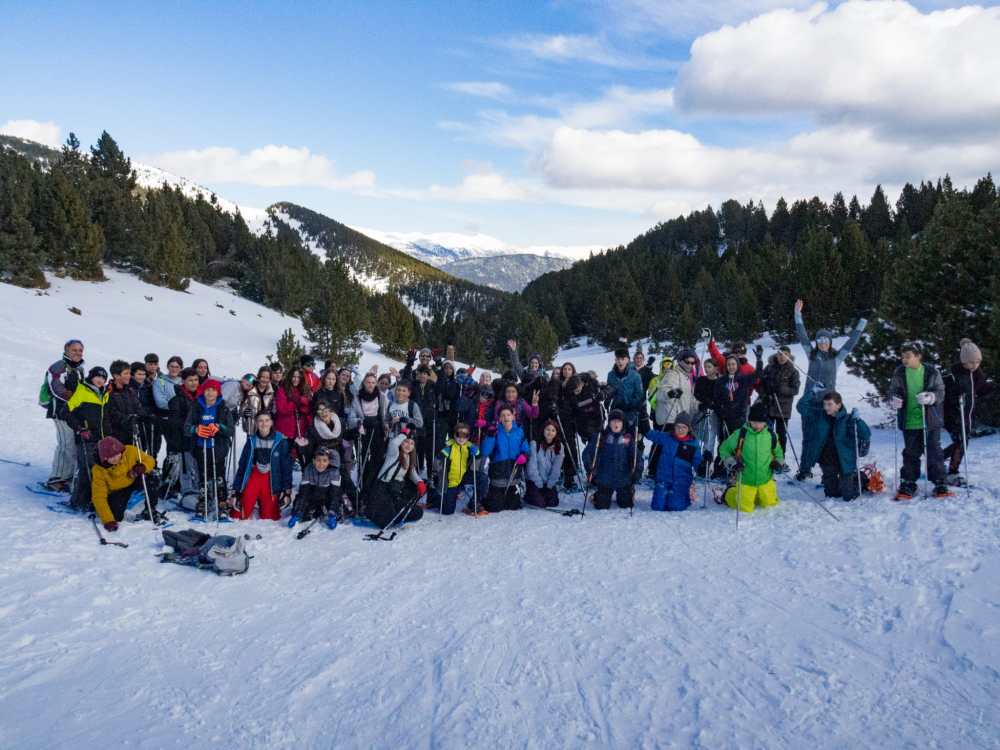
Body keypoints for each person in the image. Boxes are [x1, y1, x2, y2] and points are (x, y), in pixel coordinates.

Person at [793, 298, 867, 481]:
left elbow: (851, 343)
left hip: (829, 406)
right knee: (809, 438)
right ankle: (805, 469)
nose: (823, 342)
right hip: (810, 404)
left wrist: (861, 325)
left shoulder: (836, 358)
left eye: (826, 340)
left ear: (830, 342)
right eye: (820, 339)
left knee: (830, 438)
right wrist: (797, 315)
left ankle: (832, 469)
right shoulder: (811, 356)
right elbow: (802, 335)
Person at [888, 343, 949, 499]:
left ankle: (940, 483)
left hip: (930, 420)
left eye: (908, 356)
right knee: (910, 453)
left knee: (934, 452)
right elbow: (893, 390)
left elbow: (940, 391)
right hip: (909, 420)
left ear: (918, 356)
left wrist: (931, 397)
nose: (904, 360)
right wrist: (894, 400)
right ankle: (908, 483)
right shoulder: (900, 372)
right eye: (903, 357)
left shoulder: (931, 372)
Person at [942, 338, 994, 485]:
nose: (975, 365)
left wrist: (992, 387)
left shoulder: (977, 373)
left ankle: (938, 459)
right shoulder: (953, 375)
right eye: (971, 362)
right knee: (961, 442)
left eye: (978, 362)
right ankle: (952, 472)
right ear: (963, 361)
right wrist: (956, 401)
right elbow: (944, 394)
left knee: (963, 443)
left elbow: (980, 390)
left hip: (967, 415)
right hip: (952, 415)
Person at [719, 401, 783, 513]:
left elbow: (778, 453)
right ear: (749, 420)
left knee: (770, 504)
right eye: (754, 422)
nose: (757, 425)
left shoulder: (771, 436)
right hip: (745, 479)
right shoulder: (740, 434)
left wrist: (777, 462)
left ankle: (757, 494)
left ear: (765, 422)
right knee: (745, 508)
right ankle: (728, 494)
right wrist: (733, 463)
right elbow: (724, 449)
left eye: (760, 422)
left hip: (765, 479)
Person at [184, 378, 235, 517]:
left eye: (213, 390)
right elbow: (186, 428)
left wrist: (219, 427)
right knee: (203, 475)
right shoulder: (196, 406)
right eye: (207, 390)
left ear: (218, 392)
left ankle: (222, 502)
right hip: (201, 447)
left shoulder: (223, 408)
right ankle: (204, 501)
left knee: (219, 475)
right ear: (203, 391)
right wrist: (196, 429)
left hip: (218, 448)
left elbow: (231, 430)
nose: (210, 393)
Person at [43, 338, 86, 492]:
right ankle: (56, 479)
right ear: (66, 350)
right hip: (60, 411)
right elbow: (57, 389)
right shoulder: (58, 367)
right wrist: (77, 400)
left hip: (73, 413)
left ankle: (67, 478)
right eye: (74, 350)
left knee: (73, 445)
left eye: (80, 350)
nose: (78, 353)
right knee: (65, 444)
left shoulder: (79, 368)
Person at [89, 436, 159, 531]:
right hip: (117, 491)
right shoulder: (98, 470)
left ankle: (150, 509)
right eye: (111, 457)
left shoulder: (130, 451)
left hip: (133, 480)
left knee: (152, 476)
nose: (115, 458)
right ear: (104, 458)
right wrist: (108, 520)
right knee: (116, 516)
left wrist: (142, 466)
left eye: (117, 454)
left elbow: (150, 460)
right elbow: (99, 496)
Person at [232, 412, 293, 521]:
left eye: (266, 420)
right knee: (239, 514)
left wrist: (287, 491)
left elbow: (286, 467)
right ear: (256, 423)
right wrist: (236, 491)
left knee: (268, 516)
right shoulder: (251, 440)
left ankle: (262, 501)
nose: (263, 423)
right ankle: (252, 498)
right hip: (255, 475)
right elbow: (242, 466)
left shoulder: (281, 440)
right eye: (260, 420)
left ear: (271, 423)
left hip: (272, 478)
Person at [66, 366, 110, 509]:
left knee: (98, 471)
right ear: (91, 376)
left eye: (103, 378)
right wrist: (80, 429)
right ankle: (78, 502)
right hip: (86, 437)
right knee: (86, 469)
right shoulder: (82, 390)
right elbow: (67, 413)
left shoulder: (104, 393)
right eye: (98, 376)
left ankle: (93, 500)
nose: (100, 380)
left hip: (101, 438)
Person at [649, 349, 698, 478]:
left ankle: (662, 471)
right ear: (681, 361)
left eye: (693, 363)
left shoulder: (686, 377)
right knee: (664, 445)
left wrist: (699, 405)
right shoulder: (673, 374)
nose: (690, 365)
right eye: (688, 362)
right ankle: (653, 471)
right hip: (669, 416)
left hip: (678, 417)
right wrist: (671, 393)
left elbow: (688, 398)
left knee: (670, 446)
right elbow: (661, 393)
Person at [815, 391, 871, 501]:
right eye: (825, 404)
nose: (826, 407)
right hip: (827, 460)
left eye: (829, 404)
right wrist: (811, 393)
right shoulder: (822, 418)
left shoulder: (848, 419)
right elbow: (802, 407)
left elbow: (866, 433)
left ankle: (861, 478)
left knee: (848, 496)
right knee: (831, 494)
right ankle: (835, 482)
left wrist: (858, 421)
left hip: (844, 462)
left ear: (839, 405)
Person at [366, 431, 426, 529]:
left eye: (412, 444)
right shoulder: (393, 453)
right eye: (406, 442)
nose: (408, 445)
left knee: (418, 513)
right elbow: (393, 443)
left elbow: (412, 473)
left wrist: (419, 482)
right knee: (386, 522)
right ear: (401, 442)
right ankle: (376, 512)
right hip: (381, 490)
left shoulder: (410, 457)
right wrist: (404, 433)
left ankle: (394, 514)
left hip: (394, 492)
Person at [643, 411, 702, 511]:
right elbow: (651, 434)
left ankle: (684, 497)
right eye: (678, 427)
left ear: (689, 429)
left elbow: (698, 462)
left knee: (675, 507)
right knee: (658, 506)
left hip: (681, 481)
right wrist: (643, 420)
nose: (680, 430)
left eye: (684, 427)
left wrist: (703, 464)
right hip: (664, 479)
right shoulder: (667, 437)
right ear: (674, 427)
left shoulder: (693, 444)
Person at [582, 409, 639, 510]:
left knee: (626, 504)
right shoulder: (601, 437)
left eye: (619, 421)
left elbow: (637, 458)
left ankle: (629, 491)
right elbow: (587, 454)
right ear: (609, 423)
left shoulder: (628, 438)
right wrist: (591, 469)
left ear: (623, 423)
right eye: (613, 421)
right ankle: (597, 495)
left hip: (623, 479)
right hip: (605, 479)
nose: (616, 423)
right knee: (601, 505)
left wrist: (636, 473)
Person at [480, 405, 529, 513]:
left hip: (513, 475)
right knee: (495, 508)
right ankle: (484, 498)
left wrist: (524, 455)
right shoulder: (495, 431)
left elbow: (525, 448)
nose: (506, 417)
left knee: (514, 506)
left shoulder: (519, 431)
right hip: (498, 475)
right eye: (503, 415)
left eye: (508, 414)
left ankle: (513, 495)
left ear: (513, 416)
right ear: (499, 418)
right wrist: (490, 436)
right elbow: (485, 451)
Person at [758, 345, 801, 470]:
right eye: (780, 354)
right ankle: (767, 458)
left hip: (783, 408)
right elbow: (761, 383)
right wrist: (765, 393)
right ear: (776, 355)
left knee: (781, 434)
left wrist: (781, 389)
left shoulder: (793, 371)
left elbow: (795, 389)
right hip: (770, 405)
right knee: (768, 434)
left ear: (789, 355)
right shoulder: (770, 367)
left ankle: (780, 460)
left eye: (785, 354)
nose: (782, 357)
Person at [165, 368, 201, 505]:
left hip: (198, 439)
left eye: (196, 380)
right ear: (183, 381)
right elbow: (174, 422)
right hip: (184, 439)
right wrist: (190, 425)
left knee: (197, 466)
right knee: (187, 466)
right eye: (190, 380)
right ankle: (188, 493)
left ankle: (198, 490)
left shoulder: (201, 397)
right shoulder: (176, 399)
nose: (193, 383)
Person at [438, 423, 487, 515]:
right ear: (454, 435)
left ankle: (474, 503)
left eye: (465, 435)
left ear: (468, 437)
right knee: (447, 511)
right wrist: (442, 454)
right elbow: (437, 463)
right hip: (451, 481)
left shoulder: (469, 446)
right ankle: (437, 499)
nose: (461, 438)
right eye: (458, 435)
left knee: (483, 478)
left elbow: (478, 456)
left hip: (464, 477)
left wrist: (476, 453)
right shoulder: (449, 446)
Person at [288, 448, 341, 529]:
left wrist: (332, 513)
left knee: (336, 507)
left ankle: (328, 512)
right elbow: (303, 494)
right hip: (313, 496)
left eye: (324, 460)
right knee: (302, 513)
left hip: (327, 497)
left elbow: (335, 494)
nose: (321, 463)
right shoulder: (308, 470)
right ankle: (312, 511)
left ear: (329, 461)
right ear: (313, 461)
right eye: (318, 460)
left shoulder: (334, 472)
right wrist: (297, 512)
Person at [713, 353, 759, 447]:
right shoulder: (721, 381)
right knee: (725, 442)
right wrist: (721, 412)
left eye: (733, 364)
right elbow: (716, 399)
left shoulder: (743, 379)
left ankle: (739, 460)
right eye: (729, 364)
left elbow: (757, 374)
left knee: (739, 442)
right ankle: (723, 460)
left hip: (739, 417)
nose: (731, 367)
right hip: (725, 418)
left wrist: (759, 360)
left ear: (737, 365)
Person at [274, 366, 312, 464]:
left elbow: (309, 407)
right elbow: (282, 409)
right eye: (294, 376)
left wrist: (301, 402)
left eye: (298, 377)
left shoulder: (304, 390)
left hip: (300, 431)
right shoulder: (282, 390)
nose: (296, 379)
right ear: (290, 377)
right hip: (285, 431)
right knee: (284, 460)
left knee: (301, 461)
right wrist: (295, 404)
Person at [525, 420, 564, 508]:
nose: (550, 432)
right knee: (540, 504)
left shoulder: (559, 447)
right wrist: (539, 484)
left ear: (556, 433)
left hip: (548, 481)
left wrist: (550, 484)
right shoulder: (535, 444)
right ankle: (528, 495)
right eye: (547, 429)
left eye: (553, 430)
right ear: (543, 430)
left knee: (553, 503)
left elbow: (556, 469)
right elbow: (531, 468)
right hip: (535, 481)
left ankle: (543, 493)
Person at [107, 359, 146, 446]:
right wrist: (128, 419)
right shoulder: (109, 392)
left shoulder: (130, 391)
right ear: (116, 375)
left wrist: (144, 416)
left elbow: (138, 407)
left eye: (129, 373)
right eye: (126, 373)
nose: (129, 376)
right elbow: (112, 413)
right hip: (117, 436)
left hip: (133, 434)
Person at [693, 358, 721, 477]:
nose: (707, 369)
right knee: (698, 436)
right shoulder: (701, 380)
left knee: (710, 438)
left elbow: (722, 396)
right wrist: (703, 402)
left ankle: (706, 464)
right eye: (705, 367)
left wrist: (714, 403)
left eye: (709, 367)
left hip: (714, 413)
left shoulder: (719, 381)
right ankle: (697, 464)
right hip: (701, 411)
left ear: (715, 368)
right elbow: (696, 393)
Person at [606, 348, 644, 429]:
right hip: (616, 409)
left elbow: (639, 394)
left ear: (628, 360)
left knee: (629, 434)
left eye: (622, 359)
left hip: (630, 410)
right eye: (618, 359)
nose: (620, 361)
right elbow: (609, 390)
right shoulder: (611, 375)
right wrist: (607, 400)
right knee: (613, 433)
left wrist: (632, 406)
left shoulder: (635, 375)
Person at [412, 367, 438, 480]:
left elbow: (442, 388)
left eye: (425, 374)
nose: (423, 376)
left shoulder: (433, 386)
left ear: (428, 375)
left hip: (430, 421)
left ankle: (430, 475)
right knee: (418, 448)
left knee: (429, 449)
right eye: (421, 374)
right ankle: (418, 471)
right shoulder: (414, 385)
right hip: (418, 421)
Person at [242, 366, 275, 435]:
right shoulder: (250, 390)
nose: (264, 380)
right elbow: (242, 407)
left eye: (267, 378)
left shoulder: (272, 393)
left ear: (270, 379)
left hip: (266, 429)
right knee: (251, 445)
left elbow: (274, 410)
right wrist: (244, 412)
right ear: (259, 377)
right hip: (252, 427)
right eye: (262, 377)